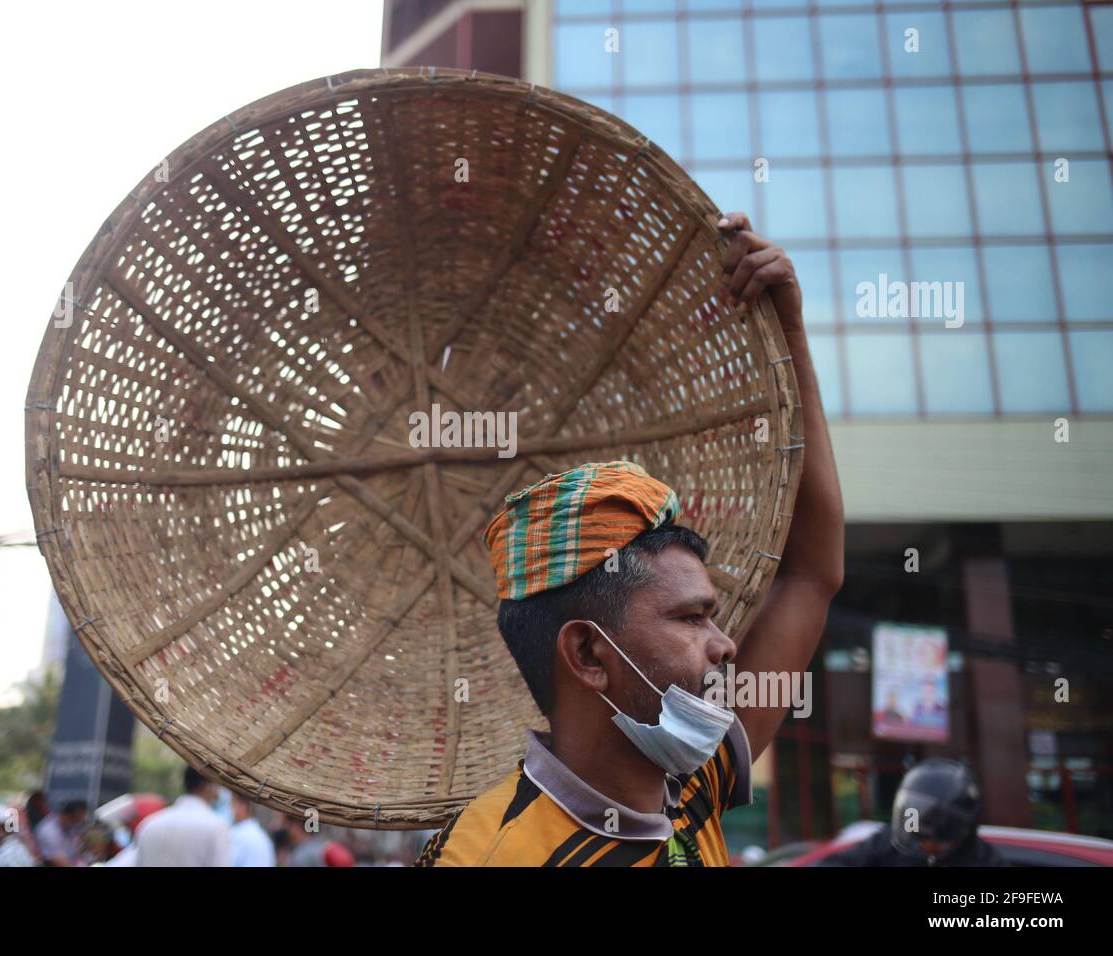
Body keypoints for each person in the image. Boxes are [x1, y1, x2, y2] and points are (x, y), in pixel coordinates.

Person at [416, 213, 844, 867]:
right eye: (692, 617)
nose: (726, 644)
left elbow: (809, 578)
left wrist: (788, 332)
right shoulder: (489, 856)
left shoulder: (688, 787)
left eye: (713, 616)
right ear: (589, 651)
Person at [823, 759, 1005, 867]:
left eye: (934, 825)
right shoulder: (891, 843)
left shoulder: (986, 861)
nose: (923, 840)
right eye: (916, 818)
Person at [134, 766, 231, 867]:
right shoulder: (216, 827)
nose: (220, 791)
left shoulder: (149, 824)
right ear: (208, 787)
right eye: (219, 785)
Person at [34, 799, 87, 866]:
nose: (82, 821)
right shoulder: (49, 832)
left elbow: (78, 848)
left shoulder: (70, 825)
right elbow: (61, 863)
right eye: (78, 819)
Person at [229, 793, 275, 867]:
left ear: (242, 806)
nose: (230, 808)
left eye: (232, 803)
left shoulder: (239, 835)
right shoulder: (262, 835)